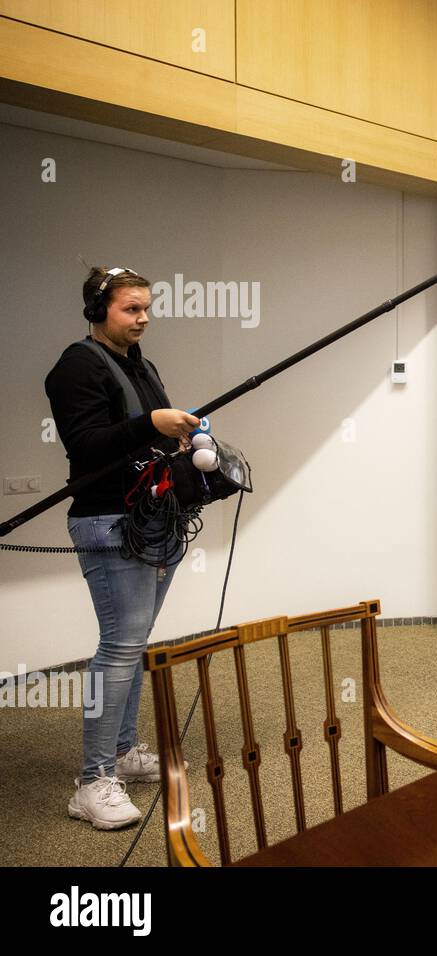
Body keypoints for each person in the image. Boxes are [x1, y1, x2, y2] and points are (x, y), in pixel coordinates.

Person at [45, 267, 199, 829]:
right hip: (108, 523)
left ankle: (126, 751)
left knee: (132, 645)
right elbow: (85, 446)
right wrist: (149, 424)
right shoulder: (77, 365)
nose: (143, 319)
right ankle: (92, 780)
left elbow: (147, 431)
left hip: (155, 521)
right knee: (118, 648)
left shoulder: (141, 365)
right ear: (98, 309)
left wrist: (178, 434)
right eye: (132, 309)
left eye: (147, 309)